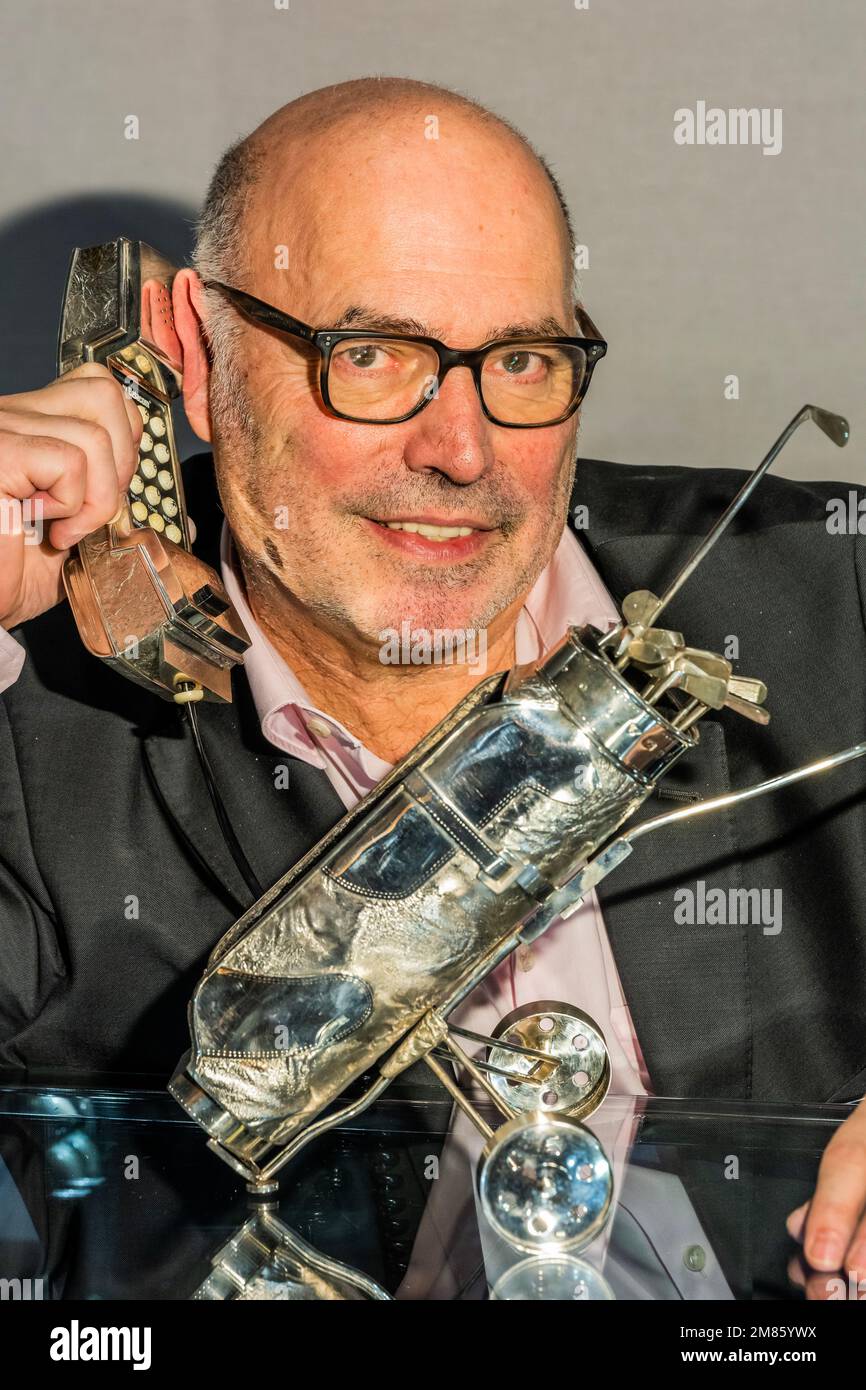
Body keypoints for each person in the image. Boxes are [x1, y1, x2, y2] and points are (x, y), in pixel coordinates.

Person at [0, 75, 864, 1290]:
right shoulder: (36, 714)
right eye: (371, 354)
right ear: (193, 359)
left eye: (518, 360)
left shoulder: (828, 589)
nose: (459, 451)